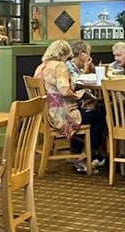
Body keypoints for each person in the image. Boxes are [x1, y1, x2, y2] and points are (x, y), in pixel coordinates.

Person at [34, 40, 106, 172]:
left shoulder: (41, 67)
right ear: (63, 54)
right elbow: (64, 91)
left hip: (46, 116)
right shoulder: (60, 66)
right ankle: (85, 159)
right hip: (62, 117)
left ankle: (76, 151)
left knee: (88, 112)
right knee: (100, 116)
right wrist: (81, 95)